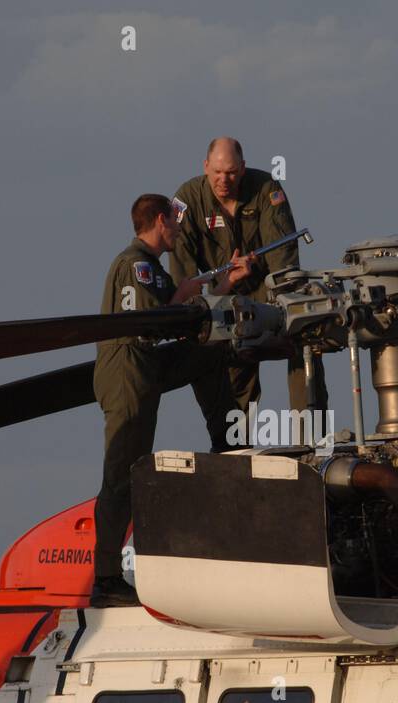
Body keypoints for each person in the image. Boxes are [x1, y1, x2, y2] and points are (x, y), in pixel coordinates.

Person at [91, 194, 250, 608]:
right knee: (121, 474)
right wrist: (184, 296)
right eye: (175, 223)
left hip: (141, 368)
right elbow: (150, 324)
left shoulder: (149, 268)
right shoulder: (136, 265)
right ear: (159, 220)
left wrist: (221, 285)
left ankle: (228, 441)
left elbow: (175, 316)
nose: (179, 230)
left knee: (211, 353)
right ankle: (106, 578)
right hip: (129, 370)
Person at [169, 137, 328, 435]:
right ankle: (232, 446)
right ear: (205, 167)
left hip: (269, 293)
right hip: (222, 298)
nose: (223, 180)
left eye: (230, 172)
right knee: (228, 369)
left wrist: (279, 301)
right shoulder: (187, 199)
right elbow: (184, 280)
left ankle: (313, 439)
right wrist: (218, 289)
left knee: (305, 340)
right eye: (216, 172)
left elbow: (285, 265)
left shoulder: (267, 188)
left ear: (242, 169)